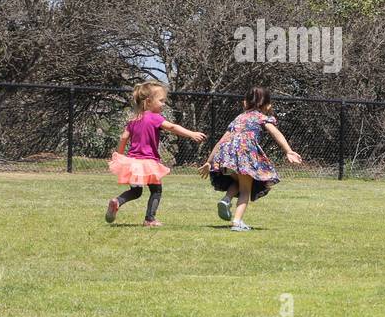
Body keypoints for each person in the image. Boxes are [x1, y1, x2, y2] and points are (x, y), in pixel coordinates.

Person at [200, 86, 301, 231]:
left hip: (227, 155)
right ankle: (237, 222)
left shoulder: (238, 118)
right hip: (245, 155)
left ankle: (226, 199)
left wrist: (209, 162)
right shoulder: (262, 117)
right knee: (246, 189)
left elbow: (222, 140)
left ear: (245, 103)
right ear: (268, 105)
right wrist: (288, 151)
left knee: (239, 180)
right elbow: (276, 133)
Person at [105, 81, 205, 227]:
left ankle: (117, 201)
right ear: (149, 102)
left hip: (133, 163)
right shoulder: (154, 117)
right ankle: (149, 219)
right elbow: (171, 126)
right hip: (148, 163)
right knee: (156, 191)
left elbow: (123, 137)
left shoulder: (133, 120)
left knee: (136, 192)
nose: (164, 104)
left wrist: (120, 156)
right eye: (161, 100)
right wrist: (191, 134)